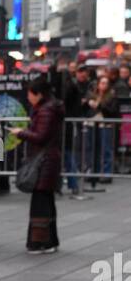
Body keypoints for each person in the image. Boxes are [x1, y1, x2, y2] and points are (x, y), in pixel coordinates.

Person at [17, 74, 64, 252]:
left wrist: (21, 133)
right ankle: (50, 240)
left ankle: (40, 241)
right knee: (47, 200)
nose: (28, 97)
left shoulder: (45, 110)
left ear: (39, 94)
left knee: (41, 202)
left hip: (44, 160)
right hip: (48, 159)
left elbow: (41, 136)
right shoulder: (51, 108)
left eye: (30, 93)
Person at [61, 63, 92, 199]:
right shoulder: (74, 87)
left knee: (68, 155)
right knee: (68, 155)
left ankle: (72, 184)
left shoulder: (72, 88)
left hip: (69, 124)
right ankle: (72, 184)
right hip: (70, 124)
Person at [85, 72, 120, 187]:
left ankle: (106, 173)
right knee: (93, 149)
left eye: (106, 83)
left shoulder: (112, 96)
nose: (103, 85)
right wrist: (87, 104)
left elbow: (112, 111)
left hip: (106, 124)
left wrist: (99, 106)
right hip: (92, 123)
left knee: (106, 150)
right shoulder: (92, 95)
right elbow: (86, 110)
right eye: (101, 83)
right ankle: (93, 171)